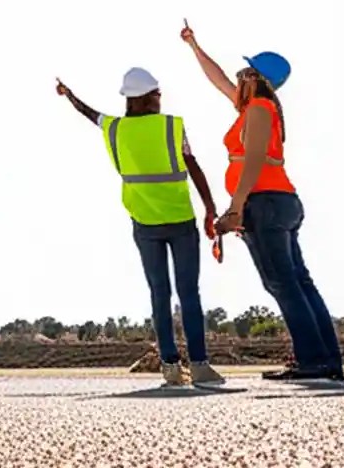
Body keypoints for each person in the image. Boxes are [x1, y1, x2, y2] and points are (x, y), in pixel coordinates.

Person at [179, 20, 344, 382]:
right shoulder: (255, 108)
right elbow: (218, 79)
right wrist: (194, 46)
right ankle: (327, 361)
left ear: (255, 77)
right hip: (280, 201)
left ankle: (314, 361)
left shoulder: (257, 111)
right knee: (298, 282)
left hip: (264, 203)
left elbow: (253, 159)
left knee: (283, 284)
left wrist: (236, 208)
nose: (237, 77)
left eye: (244, 71)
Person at [57, 68, 225, 387]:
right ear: (145, 98)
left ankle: (171, 368)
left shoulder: (115, 128)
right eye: (157, 95)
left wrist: (69, 95)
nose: (161, 99)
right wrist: (210, 209)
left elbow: (89, 113)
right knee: (189, 293)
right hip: (180, 219)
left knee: (159, 295)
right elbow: (193, 165)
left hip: (145, 223)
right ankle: (200, 367)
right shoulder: (171, 126)